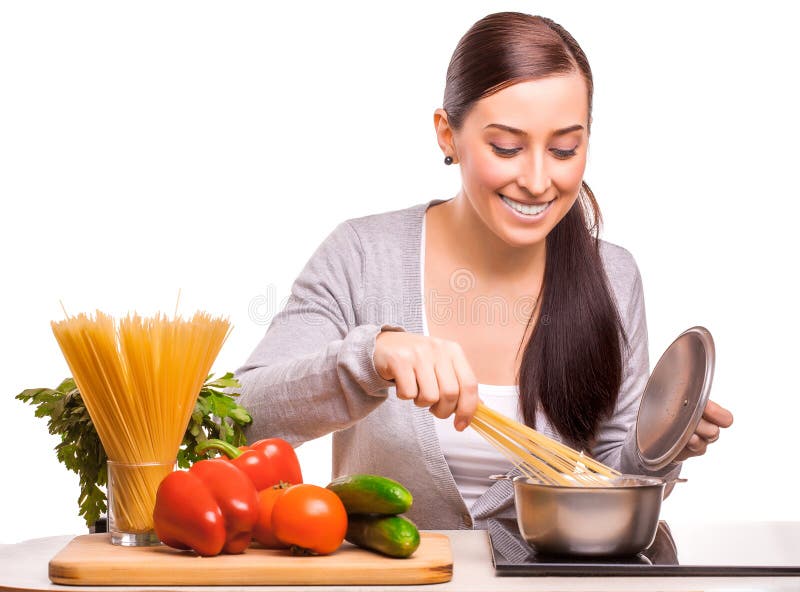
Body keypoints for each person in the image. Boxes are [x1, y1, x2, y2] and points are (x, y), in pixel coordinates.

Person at [236, 11, 734, 530]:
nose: (539, 180)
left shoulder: (613, 276)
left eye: (565, 149)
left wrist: (661, 445)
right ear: (447, 135)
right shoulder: (363, 256)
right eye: (507, 148)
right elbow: (241, 417)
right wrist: (371, 356)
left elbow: (606, 480)